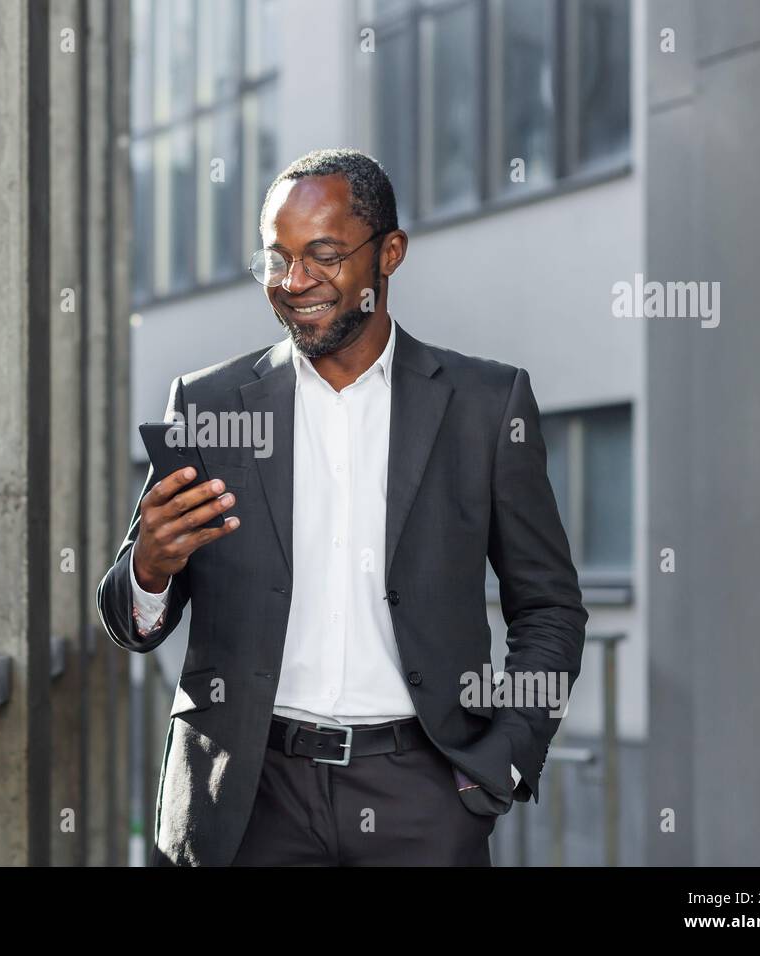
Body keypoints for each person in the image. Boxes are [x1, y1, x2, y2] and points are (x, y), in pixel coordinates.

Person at [96, 148, 587, 866]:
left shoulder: (486, 406)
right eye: (277, 259)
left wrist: (507, 756)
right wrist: (148, 569)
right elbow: (128, 621)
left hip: (422, 796)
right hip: (246, 798)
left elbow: (549, 608)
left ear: (389, 253)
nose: (295, 283)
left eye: (322, 255)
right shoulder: (206, 405)